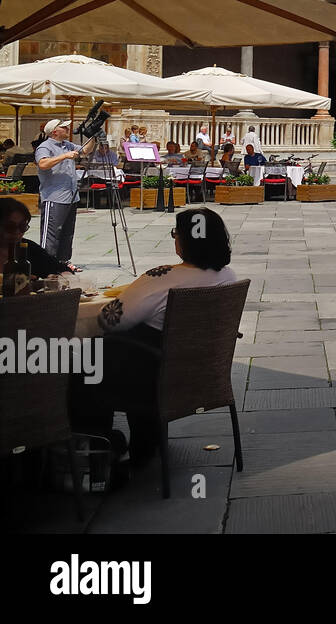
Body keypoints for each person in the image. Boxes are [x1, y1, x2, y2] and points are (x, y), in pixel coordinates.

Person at [70, 208, 238, 465]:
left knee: (83, 362)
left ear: (184, 240)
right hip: (199, 373)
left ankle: (96, 446)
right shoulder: (228, 278)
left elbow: (111, 320)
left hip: (152, 378)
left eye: (175, 234)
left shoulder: (160, 278)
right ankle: (145, 441)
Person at [35, 119, 95, 272]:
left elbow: (85, 150)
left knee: (67, 232)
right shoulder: (45, 146)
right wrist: (64, 156)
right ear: (54, 131)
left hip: (71, 196)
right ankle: (46, 264)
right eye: (64, 127)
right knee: (51, 234)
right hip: (54, 196)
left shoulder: (67, 145)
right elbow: (42, 164)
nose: (68, 129)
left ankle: (63, 261)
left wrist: (93, 136)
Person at [0, 196, 75, 278]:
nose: (17, 232)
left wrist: (61, 277)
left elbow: (61, 269)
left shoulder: (28, 249)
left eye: (22, 226)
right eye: (10, 227)